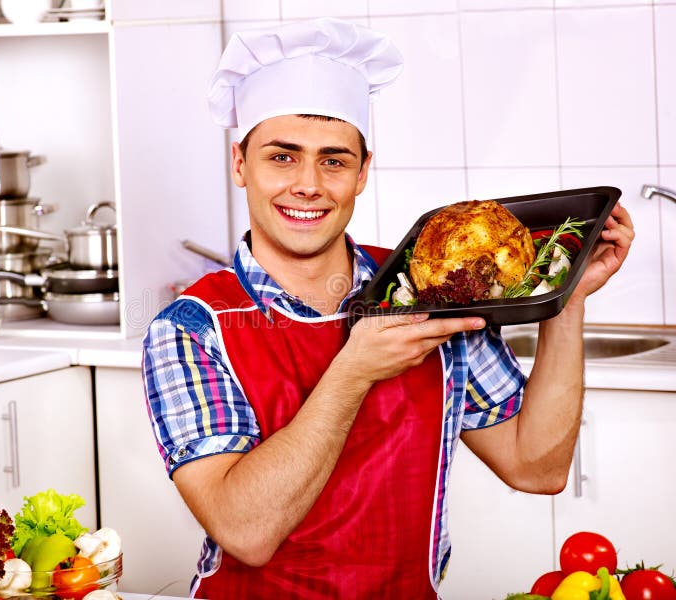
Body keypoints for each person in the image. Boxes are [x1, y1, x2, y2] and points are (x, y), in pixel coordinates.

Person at [142, 17, 634, 600]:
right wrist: (353, 371)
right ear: (239, 164)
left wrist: (567, 300)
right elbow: (245, 532)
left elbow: (536, 467)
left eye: (333, 160)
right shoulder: (195, 327)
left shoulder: (432, 288)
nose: (308, 185)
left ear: (362, 173)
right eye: (281, 157)